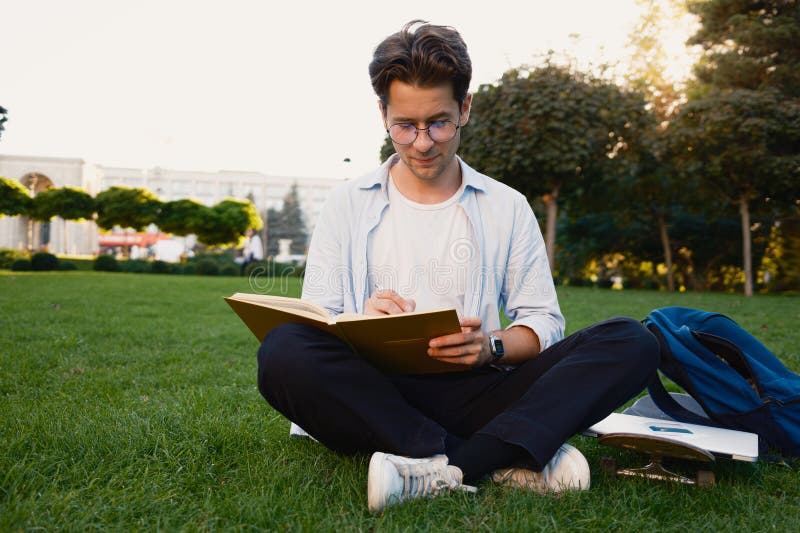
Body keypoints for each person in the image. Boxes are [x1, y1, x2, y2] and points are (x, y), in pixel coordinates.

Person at [256, 20, 659, 513]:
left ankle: (442, 467)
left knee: (631, 340)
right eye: (405, 125)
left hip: (480, 389)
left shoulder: (507, 205)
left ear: (465, 108)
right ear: (383, 114)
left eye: (439, 122)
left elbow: (543, 322)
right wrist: (362, 322)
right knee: (282, 350)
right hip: (378, 391)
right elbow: (319, 316)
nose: (423, 143)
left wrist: (489, 348)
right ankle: (506, 455)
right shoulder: (347, 203)